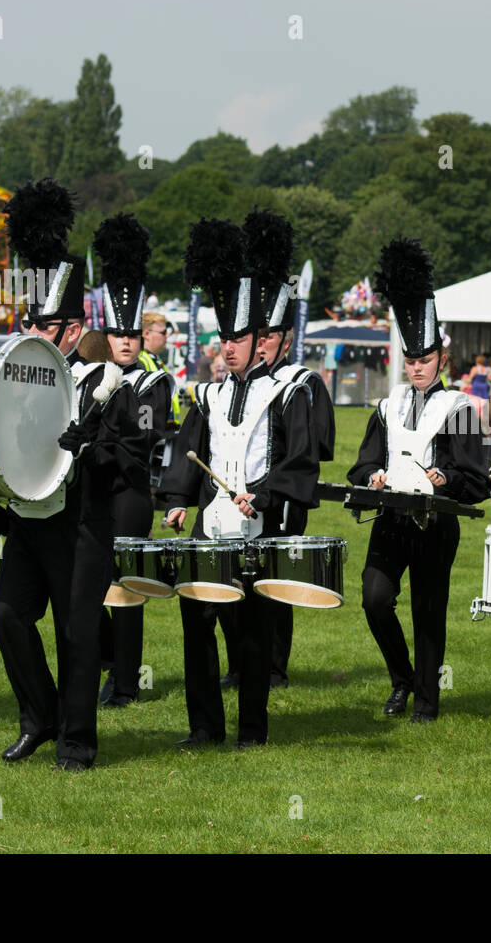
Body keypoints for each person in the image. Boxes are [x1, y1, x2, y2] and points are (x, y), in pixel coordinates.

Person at [0, 179, 145, 771]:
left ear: (74, 331)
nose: (35, 333)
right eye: (32, 321)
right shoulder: (23, 381)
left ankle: (77, 742)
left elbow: (132, 462)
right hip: (30, 520)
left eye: (47, 326)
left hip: (82, 526)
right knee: (6, 615)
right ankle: (40, 719)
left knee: (77, 633)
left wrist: (92, 445)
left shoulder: (111, 386)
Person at [157, 215, 319, 748]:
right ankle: (204, 726)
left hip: (260, 529)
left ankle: (252, 729)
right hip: (210, 529)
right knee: (196, 617)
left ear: (260, 343)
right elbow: (189, 452)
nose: (227, 347)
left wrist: (266, 495)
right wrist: (179, 498)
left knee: (253, 635)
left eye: (238, 338)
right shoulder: (207, 396)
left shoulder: (288, 394)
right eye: (223, 337)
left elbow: (300, 462)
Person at [349, 238, 488, 723]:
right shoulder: (387, 406)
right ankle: (401, 679)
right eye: (410, 361)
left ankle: (427, 701)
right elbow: (360, 467)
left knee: (429, 613)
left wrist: (442, 476)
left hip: (434, 524)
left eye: (425, 360)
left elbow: (473, 478)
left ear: (441, 360)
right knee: (374, 599)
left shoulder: (463, 409)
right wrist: (375, 475)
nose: (417, 368)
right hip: (391, 519)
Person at [236, 209, 337, 689]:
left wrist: (272, 491)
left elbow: (307, 452)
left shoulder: (302, 383)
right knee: (235, 580)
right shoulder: (238, 383)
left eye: (271, 336)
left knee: (271, 580)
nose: (262, 346)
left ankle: (273, 668)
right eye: (259, 336)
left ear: (286, 338)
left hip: (281, 496)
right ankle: (241, 664)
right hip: (238, 497)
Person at [93, 213, 170, 708]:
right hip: (93, 493)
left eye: (132, 335)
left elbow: (140, 439)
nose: (125, 341)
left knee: (126, 588)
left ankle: (124, 682)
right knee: (89, 582)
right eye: (118, 333)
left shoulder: (152, 384)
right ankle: (104, 661)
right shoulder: (90, 374)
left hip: (131, 494)